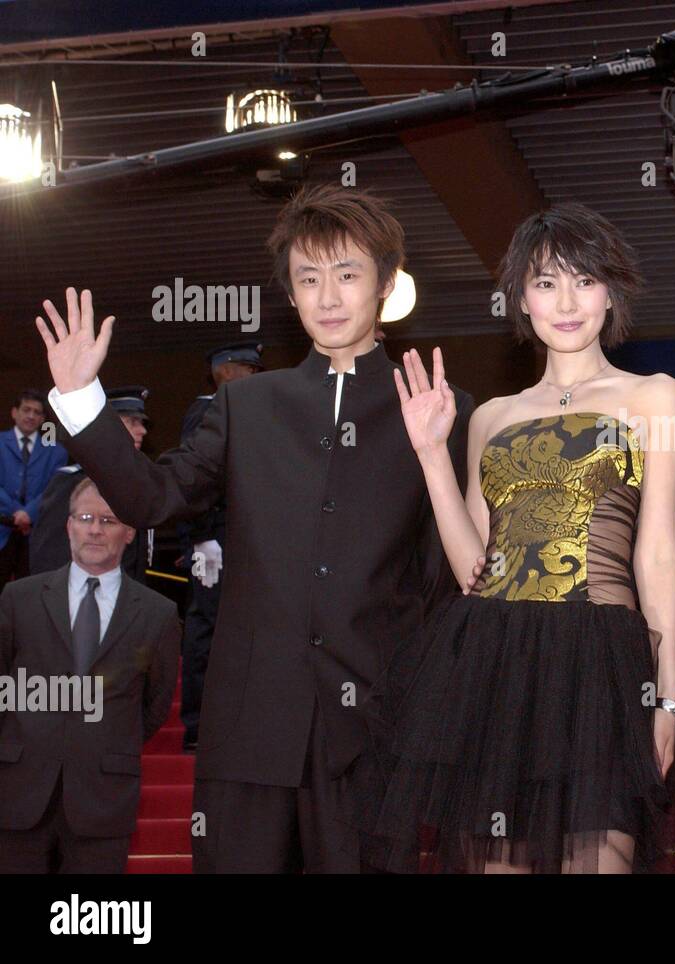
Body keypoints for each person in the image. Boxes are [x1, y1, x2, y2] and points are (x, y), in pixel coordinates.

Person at [34, 183, 474, 873]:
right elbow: (155, 497)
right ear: (291, 295)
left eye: (348, 274)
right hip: (248, 729)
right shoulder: (246, 405)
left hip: (375, 734)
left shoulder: (438, 408)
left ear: (387, 284)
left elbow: (444, 579)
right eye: (308, 278)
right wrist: (83, 404)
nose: (328, 297)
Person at [357, 202, 675, 874]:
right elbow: (474, 568)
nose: (566, 300)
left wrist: (667, 693)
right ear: (520, 300)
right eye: (545, 282)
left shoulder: (656, 396)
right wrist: (430, 453)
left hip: (601, 663)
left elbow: (656, 551)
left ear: (611, 291)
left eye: (584, 279)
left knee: (602, 857)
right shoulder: (492, 417)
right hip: (495, 663)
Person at [0, 478, 179, 873]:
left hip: (104, 798)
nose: (95, 529)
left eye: (108, 520)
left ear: (129, 532)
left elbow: (153, 705)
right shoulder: (18, 600)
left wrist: (104, 740)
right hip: (19, 792)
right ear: (68, 527)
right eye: (84, 518)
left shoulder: (158, 614)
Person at [177, 343, 264, 752]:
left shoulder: (235, 410)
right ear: (223, 371)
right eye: (247, 368)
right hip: (209, 540)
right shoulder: (207, 410)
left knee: (225, 623)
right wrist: (201, 538)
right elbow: (195, 479)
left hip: (228, 537)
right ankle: (197, 724)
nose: (253, 375)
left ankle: (219, 719)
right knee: (207, 623)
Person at [29, 386, 154, 583]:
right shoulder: (71, 482)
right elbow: (48, 555)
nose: (142, 430)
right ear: (109, 426)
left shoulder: (138, 480)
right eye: (133, 422)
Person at [0, 391, 67, 584]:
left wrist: (29, 513)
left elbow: (54, 488)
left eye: (37, 412)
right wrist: (16, 513)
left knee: (29, 589)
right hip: (2, 527)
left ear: (43, 419)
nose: (31, 416)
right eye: (26, 410)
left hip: (35, 533)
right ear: (14, 412)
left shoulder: (56, 451)